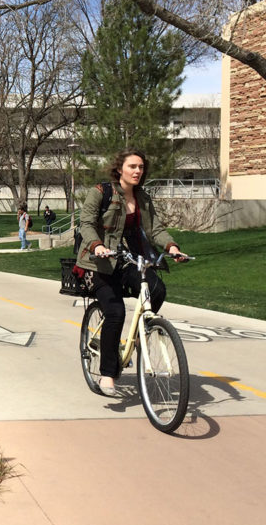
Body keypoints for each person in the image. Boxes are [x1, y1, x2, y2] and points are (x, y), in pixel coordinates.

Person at [74, 148, 187, 397]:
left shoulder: (143, 198)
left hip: (128, 261)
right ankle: (107, 374)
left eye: (141, 167)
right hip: (98, 263)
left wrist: (172, 247)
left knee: (157, 290)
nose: (138, 171)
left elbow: (155, 229)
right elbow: (87, 224)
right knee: (115, 312)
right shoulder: (100, 192)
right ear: (120, 169)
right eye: (132, 166)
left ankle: (141, 332)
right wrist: (99, 246)